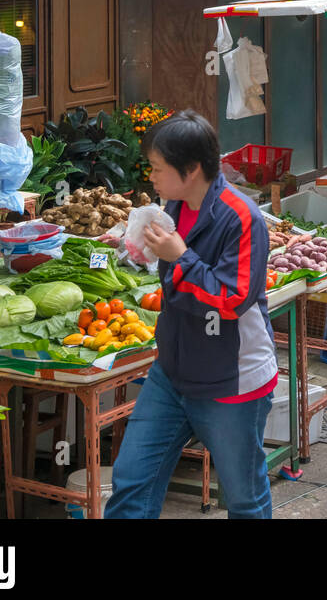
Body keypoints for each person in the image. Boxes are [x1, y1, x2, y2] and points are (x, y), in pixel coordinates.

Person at [106, 111, 277, 520]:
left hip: (231, 380)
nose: (151, 177)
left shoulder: (242, 217)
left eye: (157, 169)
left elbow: (232, 299)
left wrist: (180, 257)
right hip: (172, 373)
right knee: (130, 482)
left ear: (192, 169)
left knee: (243, 501)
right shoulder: (175, 206)